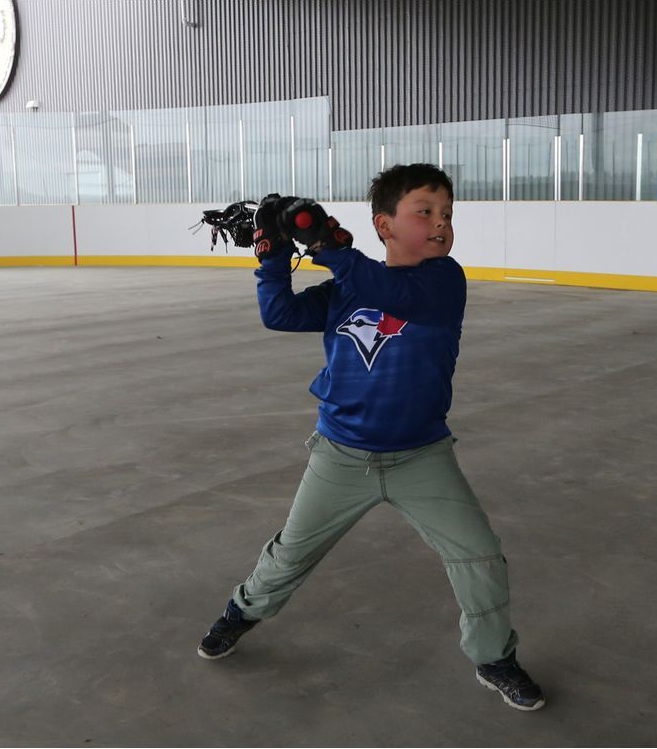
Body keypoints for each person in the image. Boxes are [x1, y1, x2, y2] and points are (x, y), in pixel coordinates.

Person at [197, 164, 545, 711]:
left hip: (421, 457)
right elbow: (281, 314)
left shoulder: (443, 281)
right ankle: (239, 613)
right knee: (291, 554)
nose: (440, 224)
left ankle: (494, 657)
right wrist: (273, 256)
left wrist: (327, 244)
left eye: (447, 214)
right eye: (424, 212)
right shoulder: (347, 288)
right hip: (340, 455)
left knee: (479, 557)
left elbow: (387, 289)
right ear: (384, 225)